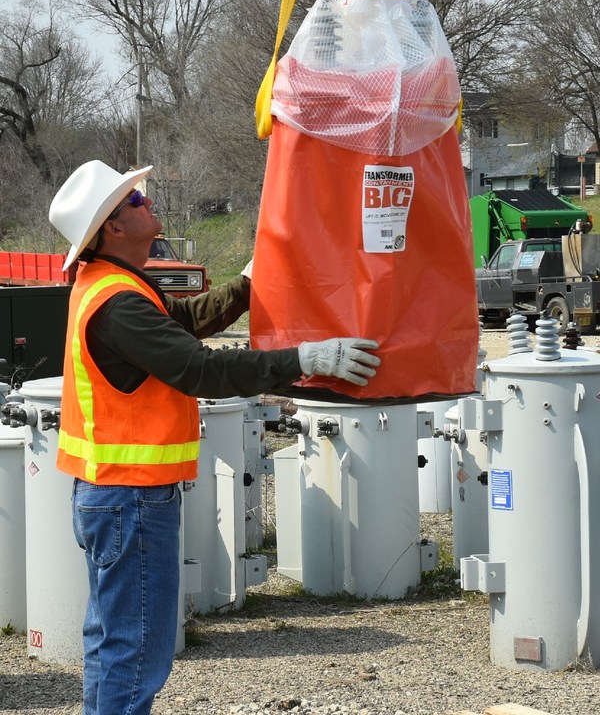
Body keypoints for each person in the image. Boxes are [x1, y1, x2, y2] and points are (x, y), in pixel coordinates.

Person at [48, 159, 381, 715]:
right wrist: (304, 359)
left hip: (114, 495)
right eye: (134, 200)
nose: (146, 200)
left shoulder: (115, 285)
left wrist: (249, 285)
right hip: (131, 497)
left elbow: (183, 320)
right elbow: (200, 369)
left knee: (113, 641)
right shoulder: (119, 303)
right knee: (136, 649)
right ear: (114, 227)